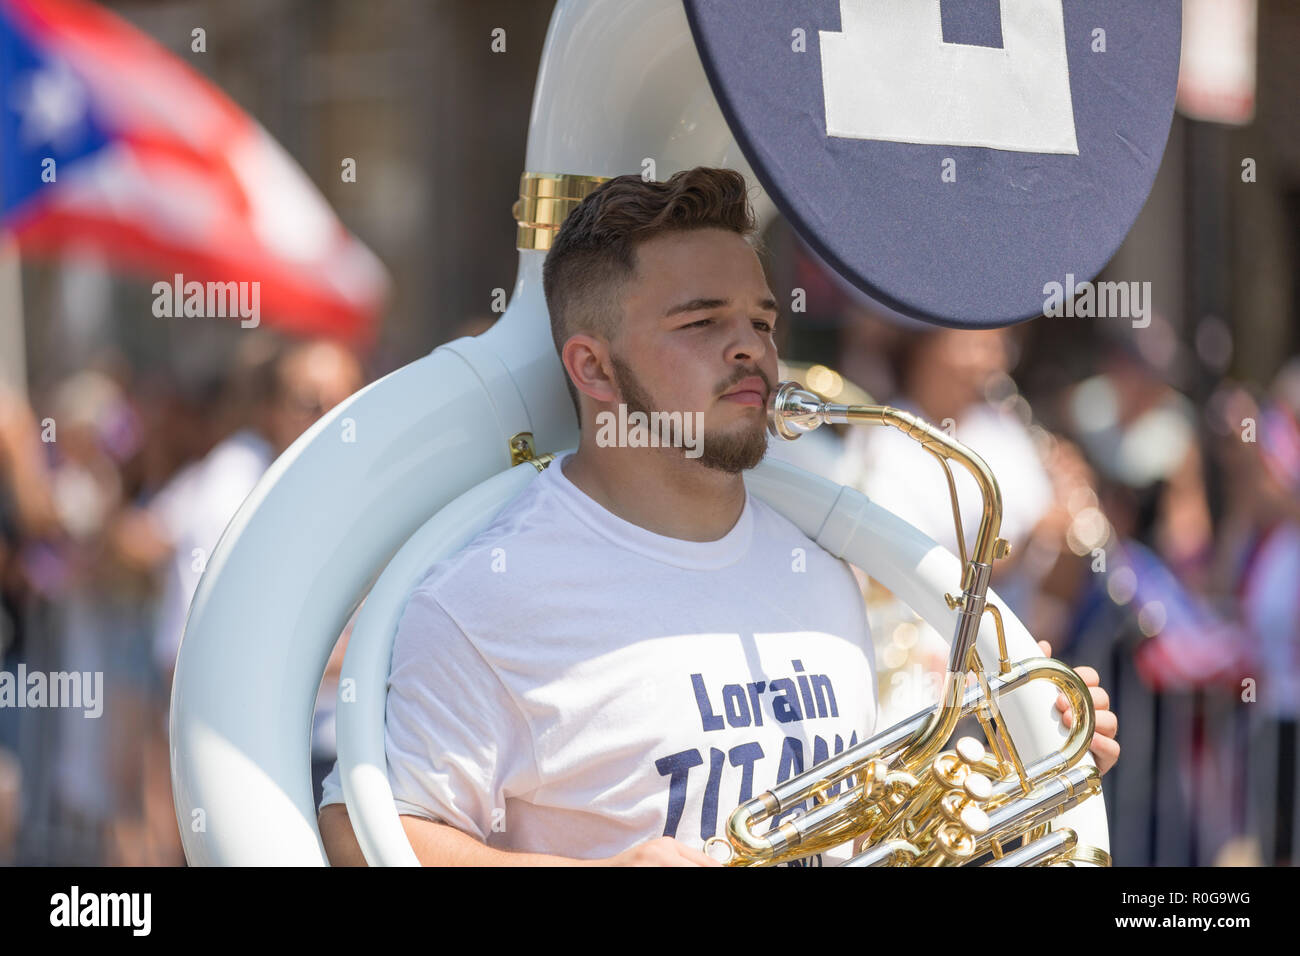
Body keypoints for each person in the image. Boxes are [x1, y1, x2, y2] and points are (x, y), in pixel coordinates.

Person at [316, 167, 1118, 867]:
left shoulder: (823, 558)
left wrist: (1015, 748)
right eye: (701, 323)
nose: (753, 352)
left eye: (763, 322)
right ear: (592, 366)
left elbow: (854, 820)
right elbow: (364, 833)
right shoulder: (485, 596)